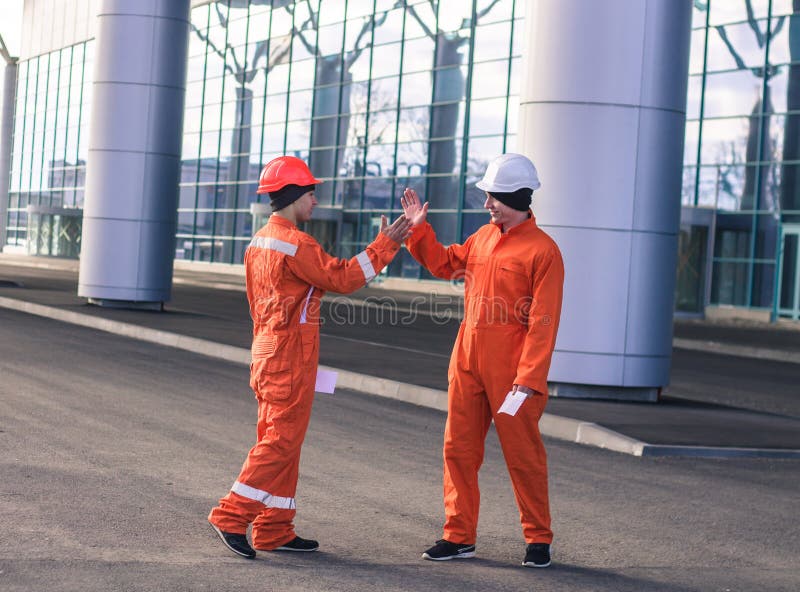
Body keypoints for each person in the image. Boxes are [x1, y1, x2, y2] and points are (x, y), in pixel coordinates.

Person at [208, 155, 413, 559]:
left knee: (281, 441)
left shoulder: (258, 241)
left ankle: (274, 528)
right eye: (311, 192)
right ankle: (231, 515)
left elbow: (255, 304)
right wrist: (389, 241)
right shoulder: (297, 243)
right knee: (281, 442)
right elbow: (344, 277)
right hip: (289, 358)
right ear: (294, 195)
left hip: (267, 350)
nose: (315, 200)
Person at [400, 153, 564, 568]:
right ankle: (458, 536)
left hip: (512, 372)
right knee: (458, 449)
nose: (487, 204)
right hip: (468, 359)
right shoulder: (482, 238)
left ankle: (538, 539)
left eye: (492, 197)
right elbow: (443, 263)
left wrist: (528, 378)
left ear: (514, 197)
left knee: (523, 456)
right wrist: (419, 231)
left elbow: (544, 323)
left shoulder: (544, 252)